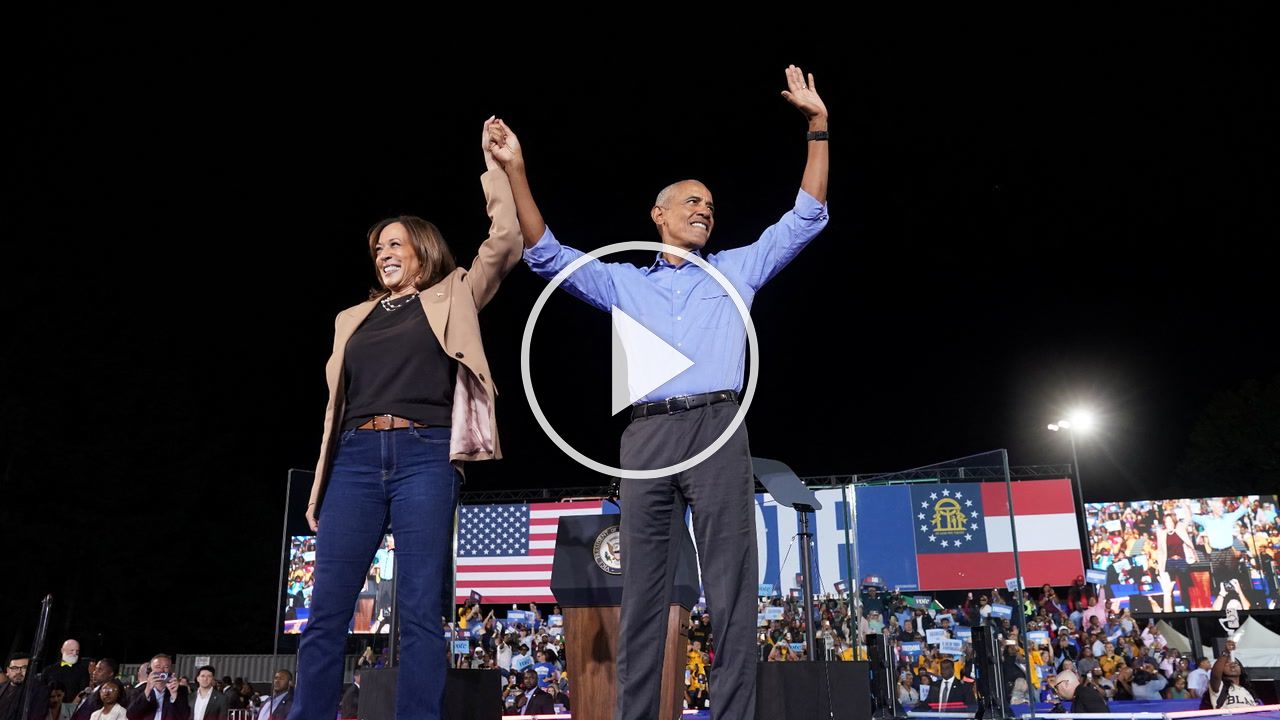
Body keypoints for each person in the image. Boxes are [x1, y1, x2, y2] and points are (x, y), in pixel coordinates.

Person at [501, 64, 829, 720]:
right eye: (692, 202)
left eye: (710, 205)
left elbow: (806, 217)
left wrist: (817, 128)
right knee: (643, 592)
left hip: (717, 428)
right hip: (646, 436)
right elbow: (546, 255)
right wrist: (515, 169)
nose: (705, 210)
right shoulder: (625, 281)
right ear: (658, 215)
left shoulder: (737, 270)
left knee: (731, 587)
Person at [289, 118, 522, 720]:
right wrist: (320, 487)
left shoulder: (456, 293)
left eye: (395, 244)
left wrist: (498, 166)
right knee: (326, 612)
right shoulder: (350, 319)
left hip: (425, 455)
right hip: (355, 462)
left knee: (419, 610)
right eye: (378, 249)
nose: (384, 254)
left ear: (423, 248)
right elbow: (334, 412)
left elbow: (506, 239)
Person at [1157, 512, 1199, 611]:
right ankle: (1171, 608)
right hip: (1169, 562)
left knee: (1185, 587)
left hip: (1181, 561)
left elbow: (1188, 518)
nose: (1169, 524)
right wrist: (1160, 567)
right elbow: (1160, 551)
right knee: (1169, 587)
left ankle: (1187, 608)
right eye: (1167, 522)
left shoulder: (1180, 529)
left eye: (1170, 521)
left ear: (1174, 522)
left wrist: (1185, 505)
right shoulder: (1162, 534)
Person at [125, 655, 188, 720]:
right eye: (158, 667)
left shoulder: (181, 690)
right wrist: (147, 690)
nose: (161, 670)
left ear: (170, 671)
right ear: (150, 671)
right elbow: (131, 715)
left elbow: (185, 716)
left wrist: (174, 695)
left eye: (166, 667)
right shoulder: (138, 691)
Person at [1201, 640, 1259, 709]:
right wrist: (1226, 652)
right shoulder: (1220, 686)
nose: (1232, 665)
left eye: (1236, 663)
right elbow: (1215, 676)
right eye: (1227, 663)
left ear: (1241, 669)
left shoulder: (1247, 690)